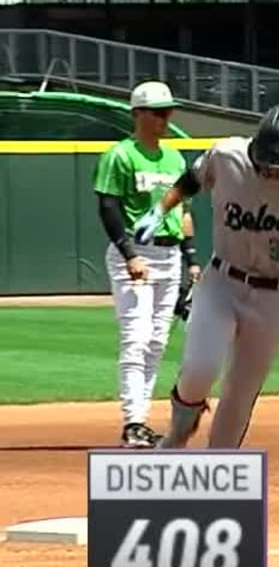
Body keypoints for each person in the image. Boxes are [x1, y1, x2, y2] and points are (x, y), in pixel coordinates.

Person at [130, 103, 279, 449]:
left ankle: (219, 475)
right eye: (264, 163)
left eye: (276, 167)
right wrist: (161, 208)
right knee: (200, 369)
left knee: (240, 393)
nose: (268, 172)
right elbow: (193, 180)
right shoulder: (228, 155)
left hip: (276, 296)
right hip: (222, 282)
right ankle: (178, 433)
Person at [92, 80, 200, 448]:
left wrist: (192, 260)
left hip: (170, 256)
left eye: (168, 111)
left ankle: (141, 422)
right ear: (137, 114)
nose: (164, 118)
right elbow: (107, 207)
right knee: (136, 339)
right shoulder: (120, 155)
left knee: (156, 341)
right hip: (135, 255)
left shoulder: (175, 158)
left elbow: (183, 211)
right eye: (157, 112)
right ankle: (132, 422)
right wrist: (129, 254)